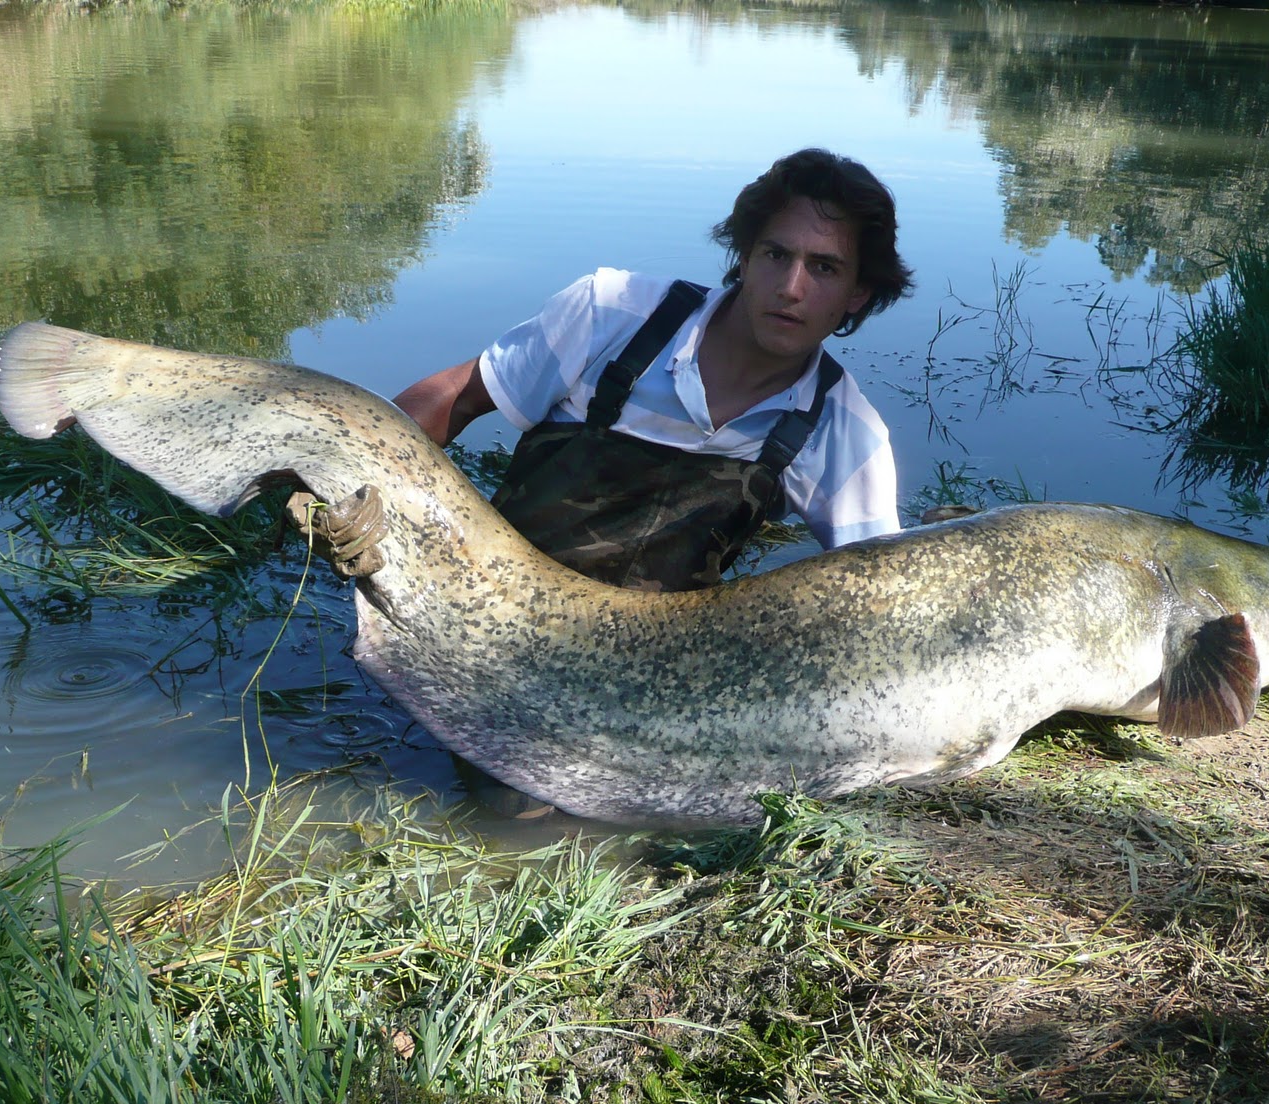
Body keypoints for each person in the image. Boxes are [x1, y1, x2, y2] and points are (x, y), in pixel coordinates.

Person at [298, 147, 914, 813]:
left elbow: (879, 611)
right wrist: (349, 482)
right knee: (506, 813)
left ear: (858, 294)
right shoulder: (612, 314)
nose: (791, 287)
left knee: (560, 819)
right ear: (743, 254)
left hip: (647, 677)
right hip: (488, 628)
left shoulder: (846, 436)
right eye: (775, 255)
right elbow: (459, 396)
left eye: (824, 268)